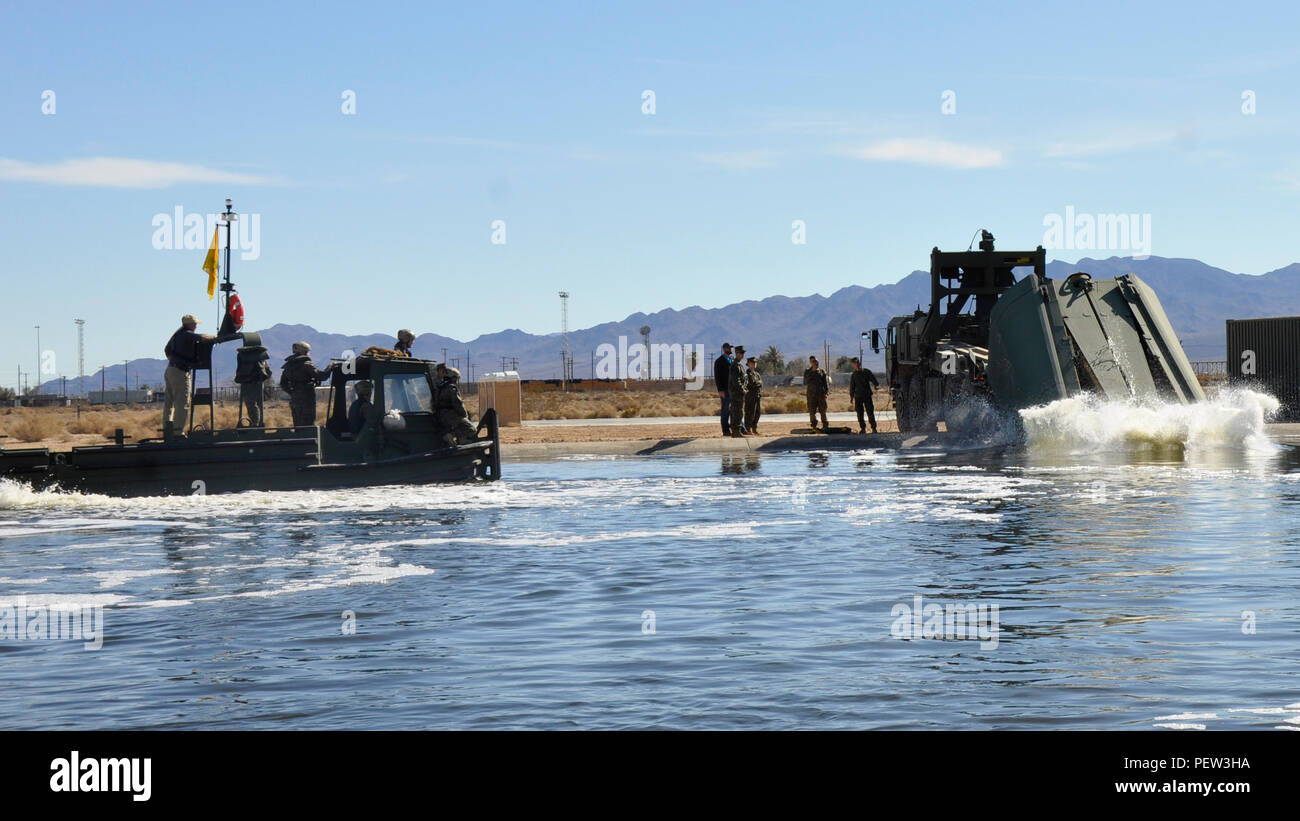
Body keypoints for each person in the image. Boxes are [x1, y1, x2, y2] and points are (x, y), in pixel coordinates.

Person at [162, 313, 215, 436]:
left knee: (169, 404)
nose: (196, 325)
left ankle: (168, 431)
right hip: (180, 372)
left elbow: (166, 350)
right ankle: (177, 433)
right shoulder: (187, 335)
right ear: (189, 324)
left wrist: (174, 360)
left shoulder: (177, 335)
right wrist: (213, 338)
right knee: (182, 404)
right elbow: (202, 338)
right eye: (195, 323)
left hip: (170, 370)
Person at [280, 341, 335, 427]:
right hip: (307, 398)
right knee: (308, 423)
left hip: (295, 398)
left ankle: (299, 439)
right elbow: (321, 376)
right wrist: (329, 368)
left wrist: (293, 392)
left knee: (297, 423)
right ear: (304, 352)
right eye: (308, 352)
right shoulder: (307, 364)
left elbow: (283, 384)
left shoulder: (288, 366)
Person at [434, 364, 478, 446]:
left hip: (441, 415)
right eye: (456, 378)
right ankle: (461, 442)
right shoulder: (451, 388)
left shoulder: (439, 388)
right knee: (472, 430)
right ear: (453, 377)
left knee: (458, 427)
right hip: (451, 415)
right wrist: (465, 416)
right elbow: (458, 404)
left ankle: (451, 436)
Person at [234, 343, 272, 427]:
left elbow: (239, 374)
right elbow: (268, 373)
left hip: (248, 384)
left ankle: (256, 424)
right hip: (257, 384)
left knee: (252, 405)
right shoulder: (261, 357)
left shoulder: (243, 356)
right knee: (257, 405)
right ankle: (258, 424)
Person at [849, 357, 879, 434]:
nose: (856, 365)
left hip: (867, 395)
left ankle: (874, 428)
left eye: (857, 363)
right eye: (854, 363)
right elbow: (852, 386)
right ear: (853, 365)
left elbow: (873, 379)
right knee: (859, 413)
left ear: (859, 363)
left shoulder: (866, 372)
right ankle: (863, 428)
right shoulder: (854, 375)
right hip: (858, 396)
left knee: (870, 412)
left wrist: (876, 385)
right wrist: (851, 397)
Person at [804, 355, 830, 430]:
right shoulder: (807, 371)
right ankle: (814, 424)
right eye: (812, 361)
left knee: (823, 410)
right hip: (811, 394)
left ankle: (825, 424)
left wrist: (826, 392)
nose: (814, 362)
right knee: (811, 410)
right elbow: (806, 381)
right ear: (810, 362)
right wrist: (813, 371)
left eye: (815, 361)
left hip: (821, 394)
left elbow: (825, 383)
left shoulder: (822, 371)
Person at [713, 342, 734, 435]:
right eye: (729, 348)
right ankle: (725, 430)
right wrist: (720, 390)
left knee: (734, 409)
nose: (731, 350)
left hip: (733, 389)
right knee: (725, 410)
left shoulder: (732, 360)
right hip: (724, 390)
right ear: (725, 349)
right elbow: (717, 377)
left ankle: (735, 428)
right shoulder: (719, 361)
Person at [728, 345, 748, 437]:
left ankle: (737, 430)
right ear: (737, 354)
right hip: (736, 393)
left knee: (739, 412)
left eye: (743, 353)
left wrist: (744, 388)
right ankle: (736, 431)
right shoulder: (735, 365)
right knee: (737, 412)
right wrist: (742, 389)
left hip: (739, 393)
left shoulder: (740, 365)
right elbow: (736, 380)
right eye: (741, 353)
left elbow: (743, 378)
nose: (742, 355)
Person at [744, 356, 763, 435]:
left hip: (757, 395)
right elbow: (752, 383)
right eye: (752, 363)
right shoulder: (747, 374)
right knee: (750, 412)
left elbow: (760, 383)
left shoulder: (756, 374)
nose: (753, 365)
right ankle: (748, 428)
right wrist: (758, 383)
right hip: (750, 396)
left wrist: (758, 383)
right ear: (748, 364)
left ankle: (754, 427)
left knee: (758, 412)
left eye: (755, 363)